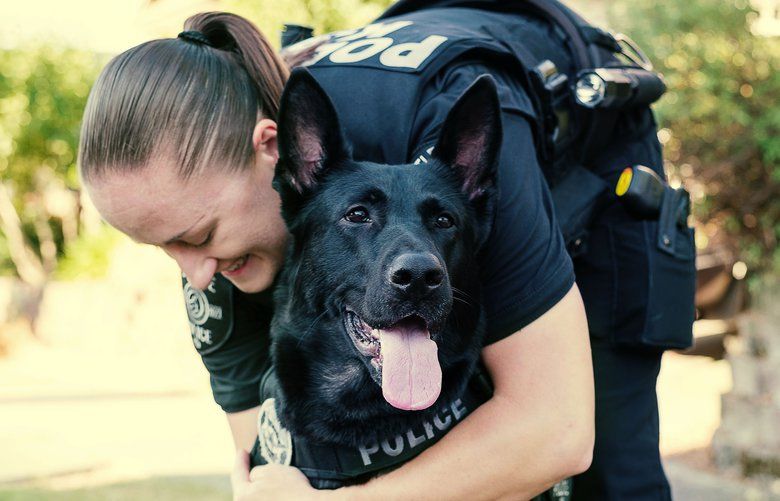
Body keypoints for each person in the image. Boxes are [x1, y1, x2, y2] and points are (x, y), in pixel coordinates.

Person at [79, 2, 693, 499]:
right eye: (163, 248)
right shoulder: (208, 210)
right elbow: (267, 468)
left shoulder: (449, 132)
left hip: (584, 165)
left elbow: (555, 432)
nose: (195, 273)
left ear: (272, 149)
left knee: (602, 473)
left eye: (199, 236)